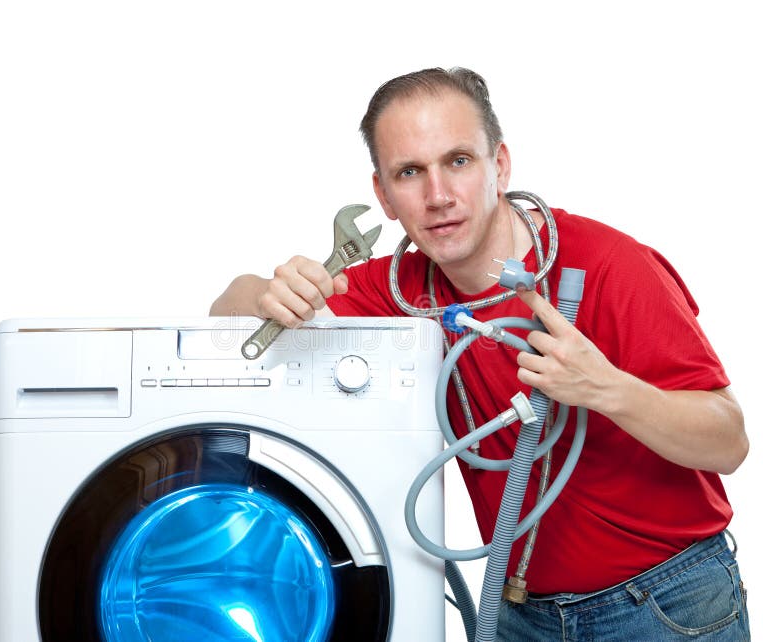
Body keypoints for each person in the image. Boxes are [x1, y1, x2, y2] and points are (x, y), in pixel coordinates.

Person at [210, 67, 750, 640]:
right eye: (410, 172)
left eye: (459, 161)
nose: (439, 196)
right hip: (521, 613)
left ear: (501, 165)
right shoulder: (396, 290)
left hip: (666, 604)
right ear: (383, 197)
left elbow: (729, 442)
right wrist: (263, 291)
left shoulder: (610, 266)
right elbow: (228, 317)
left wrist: (608, 389)